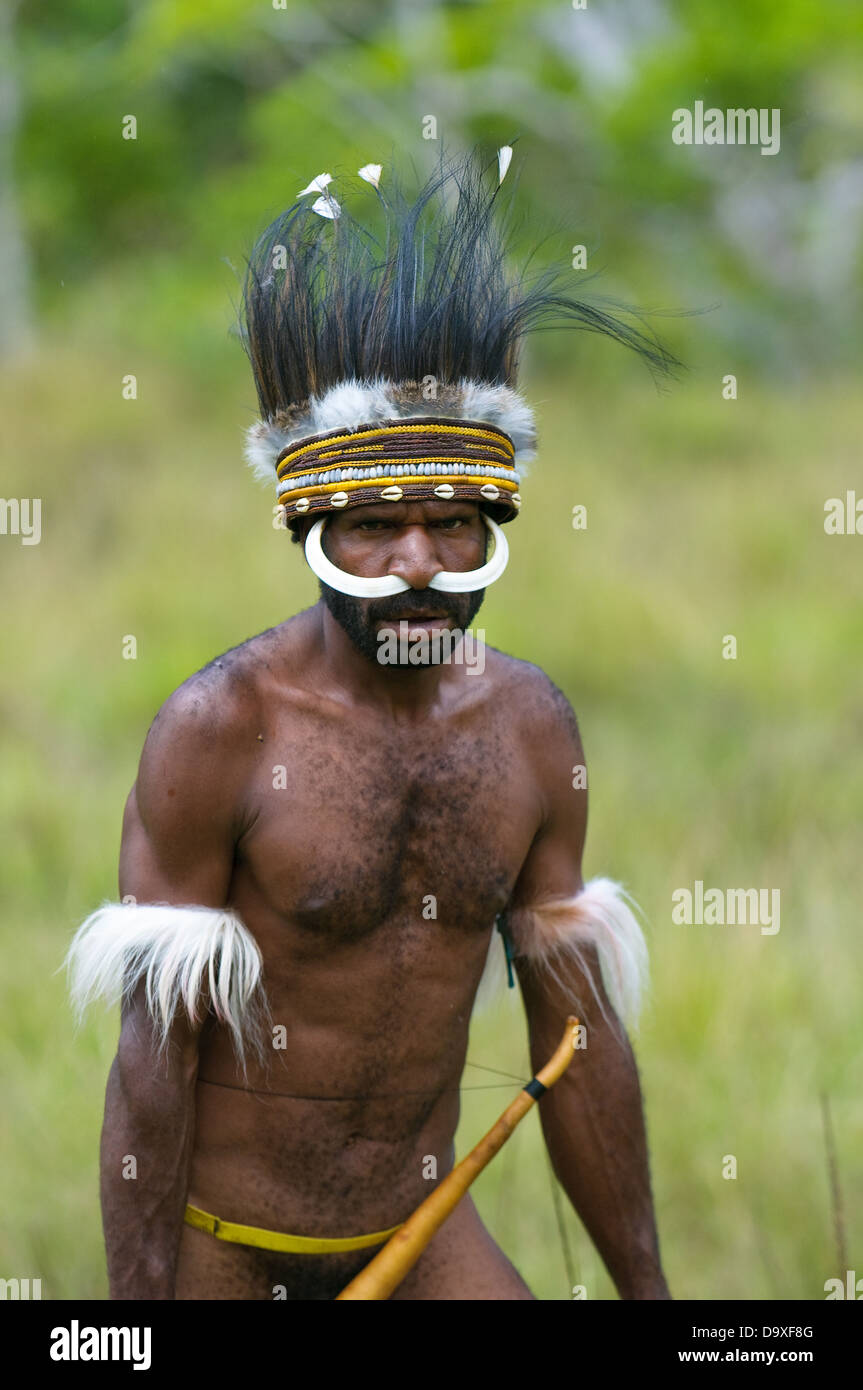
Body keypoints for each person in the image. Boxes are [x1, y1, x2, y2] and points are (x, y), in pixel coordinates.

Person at [67, 150, 677, 1300]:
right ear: (307, 532)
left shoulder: (531, 728)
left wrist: (652, 1302)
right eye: (373, 528)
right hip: (222, 1247)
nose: (415, 564)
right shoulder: (219, 727)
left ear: (494, 526)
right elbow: (152, 1070)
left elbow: (576, 1051)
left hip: (424, 1230)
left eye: (451, 524)